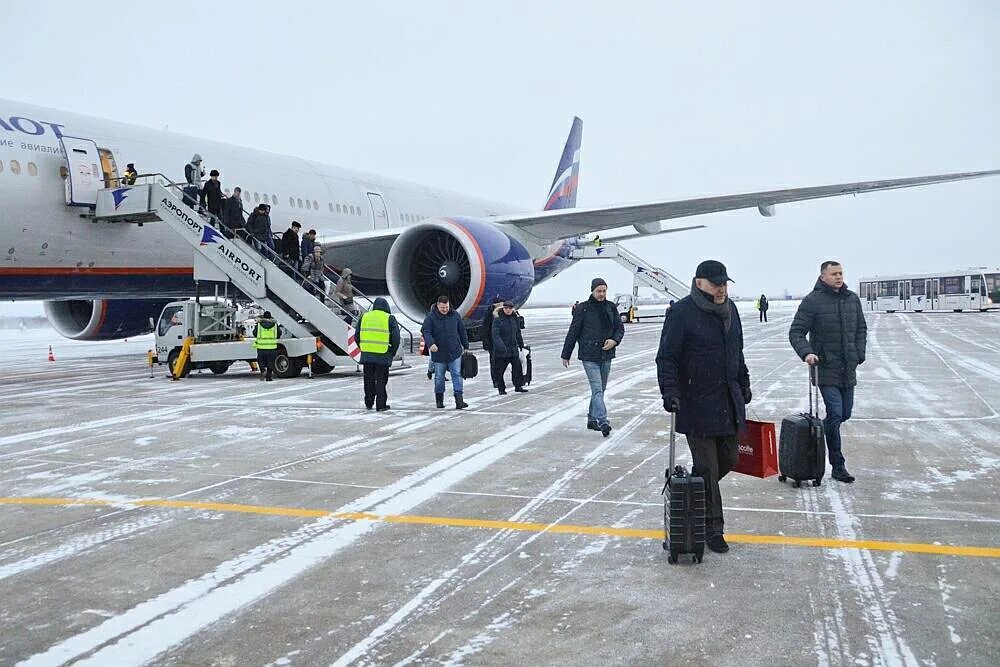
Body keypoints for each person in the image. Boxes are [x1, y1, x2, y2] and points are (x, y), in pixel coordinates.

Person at [656, 259, 750, 554]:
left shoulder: (730, 310)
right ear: (699, 283)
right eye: (716, 283)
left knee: (731, 458)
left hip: (728, 401)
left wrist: (744, 383)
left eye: (724, 283)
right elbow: (666, 358)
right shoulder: (681, 313)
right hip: (695, 403)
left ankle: (694, 491)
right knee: (709, 470)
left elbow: (738, 350)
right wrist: (670, 392)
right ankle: (713, 529)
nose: (722, 288)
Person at [788, 260, 867, 484]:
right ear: (823, 277)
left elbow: (861, 328)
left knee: (844, 414)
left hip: (848, 367)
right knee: (835, 413)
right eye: (833, 274)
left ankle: (820, 432)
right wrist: (807, 353)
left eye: (840, 273)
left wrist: (859, 353)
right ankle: (838, 465)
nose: (838, 277)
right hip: (825, 368)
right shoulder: (812, 301)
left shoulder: (852, 299)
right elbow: (796, 332)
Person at [560, 277, 625, 437]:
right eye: (599, 291)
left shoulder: (611, 307)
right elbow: (573, 332)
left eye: (604, 291)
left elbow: (619, 328)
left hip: (606, 354)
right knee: (597, 389)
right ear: (592, 291)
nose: (601, 294)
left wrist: (614, 341)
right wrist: (566, 354)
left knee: (600, 390)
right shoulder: (583, 308)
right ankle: (603, 421)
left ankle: (591, 419)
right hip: (589, 356)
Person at [421, 295, 470, 409]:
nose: (445, 309)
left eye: (446, 307)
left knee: (457, 375)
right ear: (438, 306)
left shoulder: (455, 315)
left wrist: (466, 345)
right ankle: (439, 400)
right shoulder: (431, 317)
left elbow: (462, 330)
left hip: (455, 351)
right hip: (439, 353)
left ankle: (459, 401)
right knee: (439, 377)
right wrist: (431, 343)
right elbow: (426, 331)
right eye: (442, 307)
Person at [357, 297, 401, 411]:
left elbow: (357, 335)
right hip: (382, 354)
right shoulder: (389, 318)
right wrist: (392, 352)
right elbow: (396, 338)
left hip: (367, 355)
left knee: (368, 380)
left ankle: (369, 402)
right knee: (381, 380)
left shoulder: (364, 317)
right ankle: (381, 405)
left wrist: (363, 348)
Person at [492, 300, 528, 395]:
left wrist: (521, 344)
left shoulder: (514, 318)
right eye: (506, 308)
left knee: (517, 368)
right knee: (500, 371)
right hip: (502, 351)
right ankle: (501, 389)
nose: (508, 310)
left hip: (513, 349)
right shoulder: (498, 319)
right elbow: (495, 335)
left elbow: (518, 333)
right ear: (503, 308)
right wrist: (501, 346)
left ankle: (518, 386)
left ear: (512, 309)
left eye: (510, 308)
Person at [481, 294, 503, 387]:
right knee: (494, 362)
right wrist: (485, 341)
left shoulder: (504, 312)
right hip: (492, 342)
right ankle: (496, 381)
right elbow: (485, 328)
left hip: (503, 341)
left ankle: (501, 379)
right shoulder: (489, 313)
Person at [253, 310, 280, 382]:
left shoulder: (259, 325)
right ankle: (269, 377)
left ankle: (262, 370)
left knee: (260, 360)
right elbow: (279, 334)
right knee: (270, 363)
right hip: (272, 347)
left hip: (261, 347)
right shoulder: (274, 325)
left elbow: (255, 333)